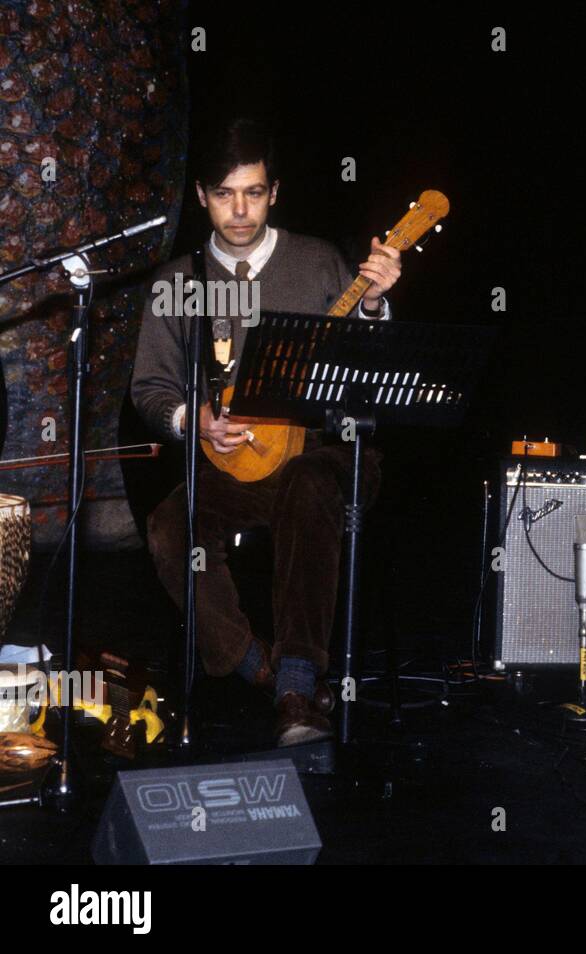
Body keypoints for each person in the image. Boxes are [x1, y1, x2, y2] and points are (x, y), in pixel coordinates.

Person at [131, 118, 401, 746]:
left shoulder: (318, 262)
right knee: (171, 527)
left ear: (274, 192)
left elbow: (372, 371)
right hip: (233, 466)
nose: (241, 209)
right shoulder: (177, 283)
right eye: (225, 195)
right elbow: (150, 389)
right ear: (201, 196)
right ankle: (266, 670)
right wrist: (190, 419)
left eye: (254, 192)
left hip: (323, 454)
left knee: (308, 484)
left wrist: (373, 305)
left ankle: (298, 689)